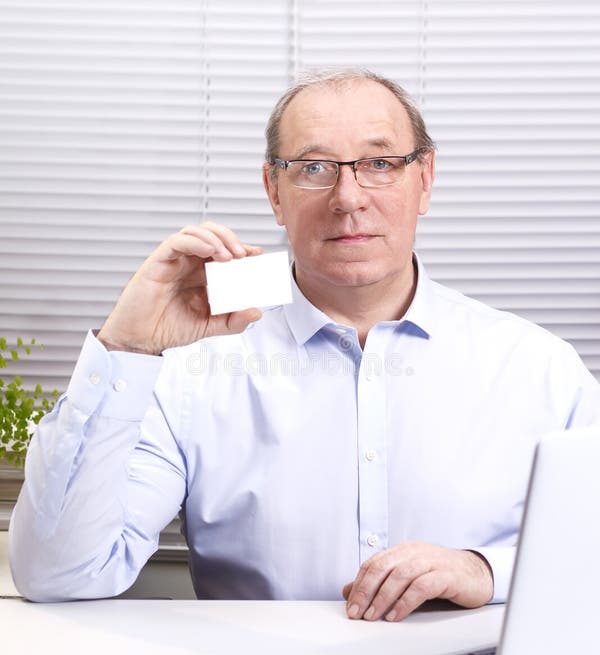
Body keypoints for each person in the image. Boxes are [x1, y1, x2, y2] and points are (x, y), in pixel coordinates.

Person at [9, 68, 600, 620]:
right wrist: (127, 346)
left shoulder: (537, 368)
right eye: (314, 168)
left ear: (425, 179)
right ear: (274, 190)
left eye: (381, 163)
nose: (348, 198)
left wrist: (489, 571)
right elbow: (62, 575)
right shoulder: (191, 368)